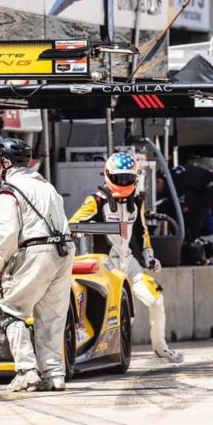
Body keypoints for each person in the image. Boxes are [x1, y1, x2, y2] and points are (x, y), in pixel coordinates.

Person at [70, 152, 183, 364]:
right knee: (120, 311)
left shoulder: (137, 202)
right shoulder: (95, 201)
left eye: (128, 178)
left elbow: (142, 232)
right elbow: (73, 225)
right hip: (106, 265)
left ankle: (160, 347)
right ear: (107, 175)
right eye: (119, 178)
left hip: (129, 262)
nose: (124, 182)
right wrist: (92, 228)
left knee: (155, 299)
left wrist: (149, 256)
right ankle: (114, 353)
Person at [0, 138, 74, 392]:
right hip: (64, 248)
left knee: (11, 311)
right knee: (52, 317)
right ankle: (54, 374)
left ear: (5, 162)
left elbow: (8, 236)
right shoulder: (45, 184)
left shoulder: (8, 191)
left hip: (36, 250)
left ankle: (26, 370)